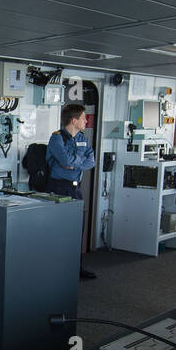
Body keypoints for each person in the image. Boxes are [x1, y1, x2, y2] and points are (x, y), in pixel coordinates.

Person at [47, 102, 98, 279]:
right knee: (60, 229)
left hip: (76, 188)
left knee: (77, 229)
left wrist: (73, 162)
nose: (86, 121)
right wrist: (77, 161)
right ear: (74, 120)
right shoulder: (57, 138)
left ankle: (77, 268)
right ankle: (57, 269)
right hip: (59, 187)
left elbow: (91, 161)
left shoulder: (83, 138)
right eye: (83, 118)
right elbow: (65, 161)